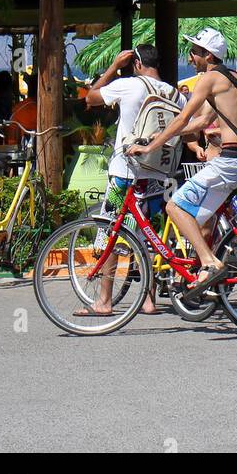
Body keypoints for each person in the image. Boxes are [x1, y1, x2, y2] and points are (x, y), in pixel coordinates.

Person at [127, 27, 237, 295]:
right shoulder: (234, 77)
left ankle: (210, 263)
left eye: (194, 52)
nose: (191, 57)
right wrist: (158, 134)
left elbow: (183, 118)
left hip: (227, 160)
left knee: (174, 207)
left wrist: (150, 145)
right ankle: (202, 275)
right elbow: (203, 121)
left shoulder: (210, 79)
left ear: (208, 54)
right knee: (195, 219)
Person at [82, 42, 179, 316]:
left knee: (112, 231)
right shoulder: (173, 92)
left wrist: (113, 67)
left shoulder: (130, 85)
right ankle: (149, 300)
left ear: (136, 63)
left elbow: (91, 98)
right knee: (146, 234)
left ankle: (104, 301)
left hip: (125, 172)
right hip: (158, 175)